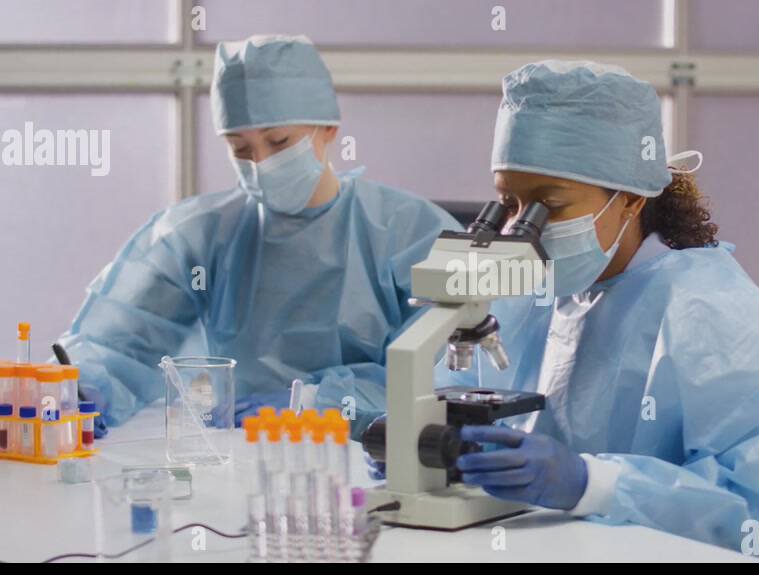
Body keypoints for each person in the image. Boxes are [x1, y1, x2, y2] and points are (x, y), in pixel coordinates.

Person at [432, 61, 759, 559]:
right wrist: (430, 447)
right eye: (510, 204)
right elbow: (455, 392)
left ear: (628, 199)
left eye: (551, 206)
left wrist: (595, 484)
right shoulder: (532, 293)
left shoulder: (723, 322)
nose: (522, 227)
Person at [57, 35, 459, 437]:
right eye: (241, 149)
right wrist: (87, 389)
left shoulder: (407, 232)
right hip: (243, 451)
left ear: (328, 128)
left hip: (374, 459)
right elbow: (123, 342)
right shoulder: (206, 234)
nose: (262, 163)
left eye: (279, 142)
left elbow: (444, 376)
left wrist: (310, 402)